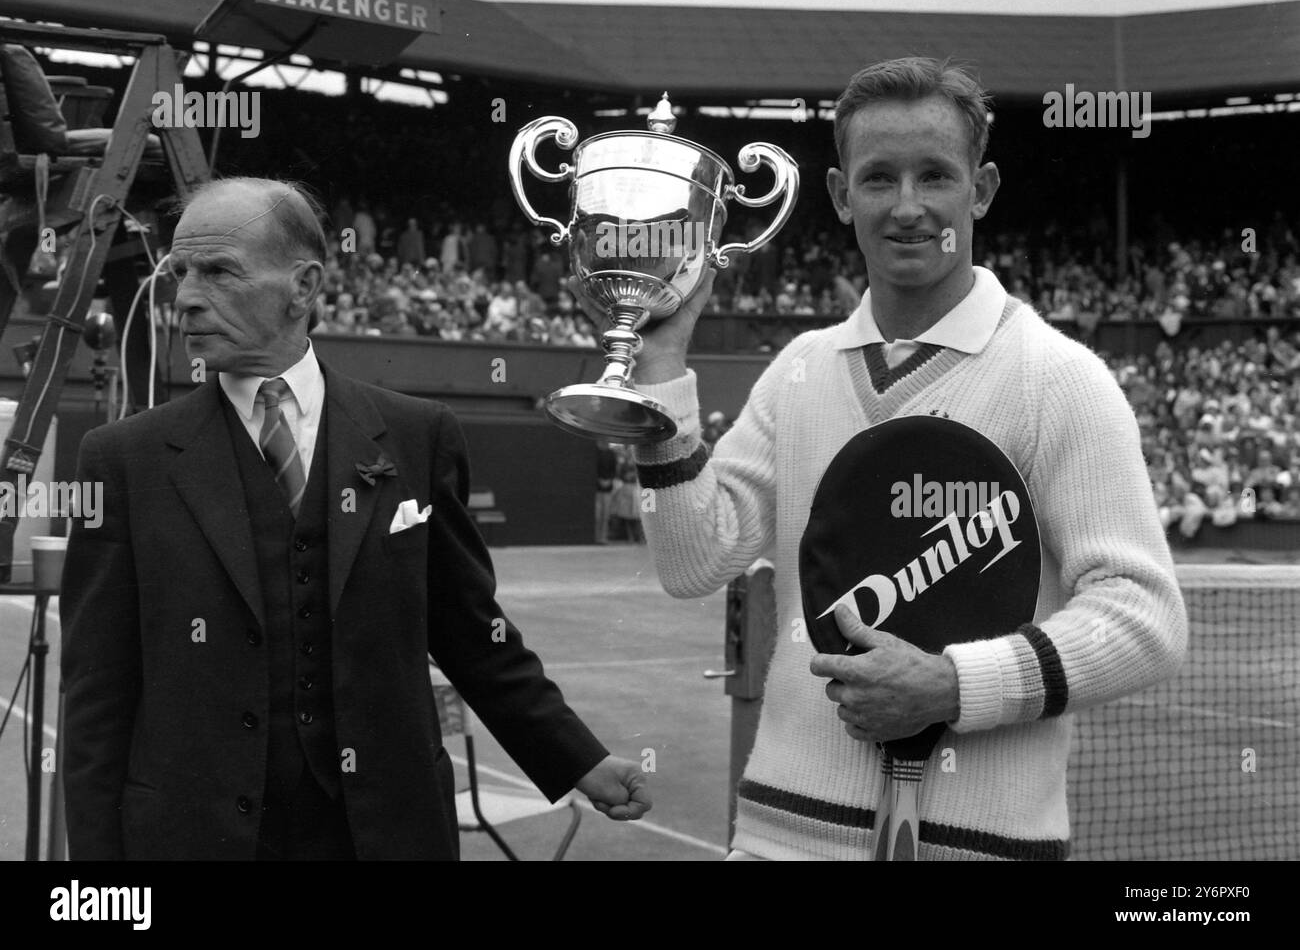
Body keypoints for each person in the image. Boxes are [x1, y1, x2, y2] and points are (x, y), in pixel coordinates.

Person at [626, 58, 1186, 860]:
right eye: (879, 178)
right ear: (839, 195)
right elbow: (693, 560)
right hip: (780, 838)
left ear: (982, 189)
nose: (909, 207)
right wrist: (659, 369)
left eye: (936, 175)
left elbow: (1147, 617)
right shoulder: (800, 370)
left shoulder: (1058, 379)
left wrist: (953, 685)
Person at [60, 177, 650, 861]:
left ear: (303, 286)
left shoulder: (415, 435)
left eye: (218, 272)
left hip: (384, 833)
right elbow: (96, 697)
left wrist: (574, 757)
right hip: (194, 836)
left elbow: (470, 632)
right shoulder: (125, 459)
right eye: (181, 271)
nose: (186, 296)